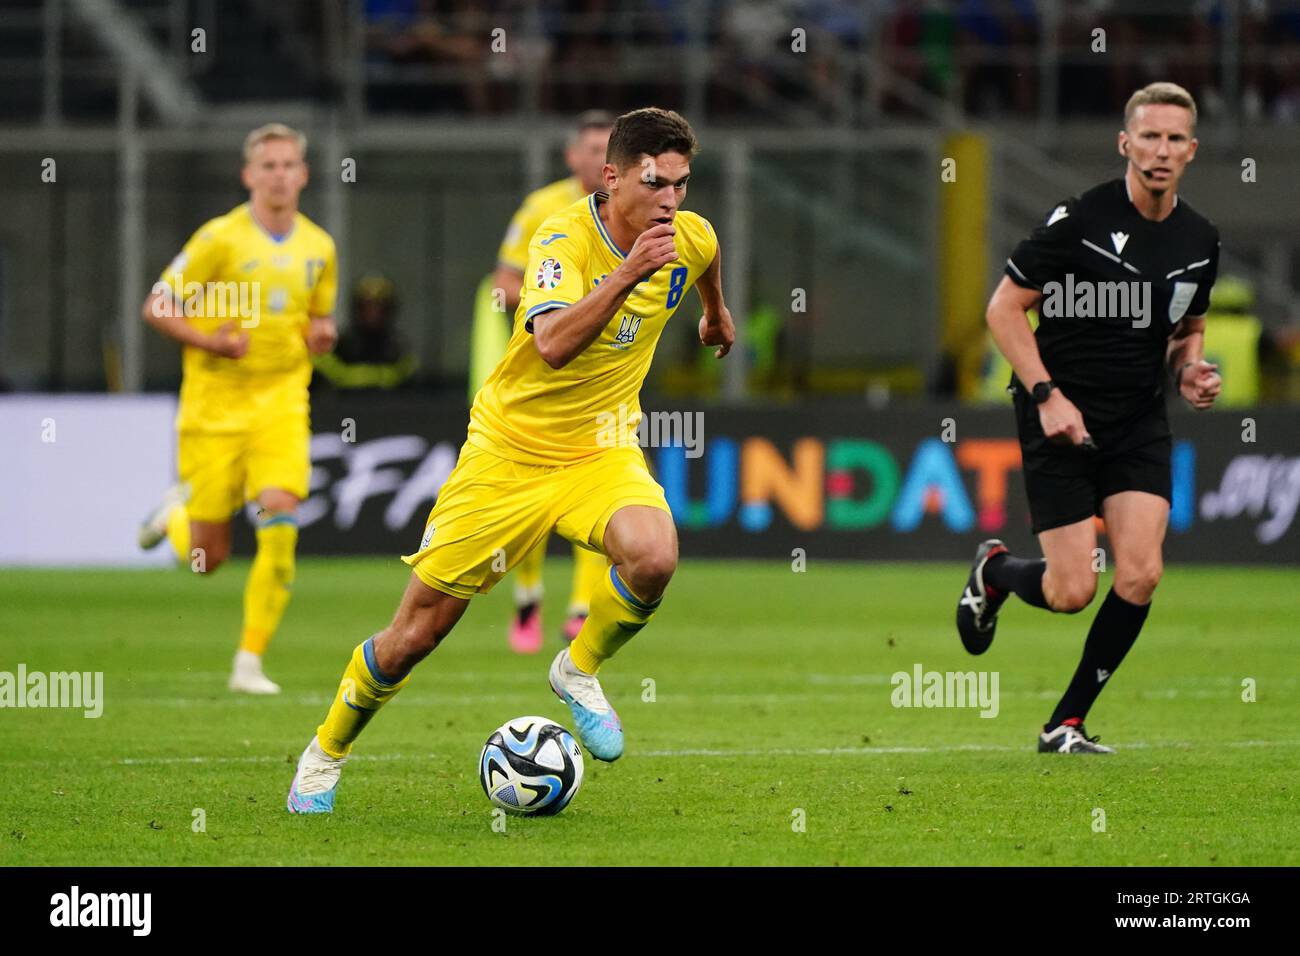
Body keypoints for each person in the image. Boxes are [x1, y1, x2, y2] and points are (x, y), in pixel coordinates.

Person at [286, 107, 735, 813]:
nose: (672, 200)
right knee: (414, 636)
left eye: (681, 183)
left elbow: (706, 259)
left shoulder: (689, 235)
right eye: (656, 183)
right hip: (510, 454)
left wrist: (715, 314)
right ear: (613, 177)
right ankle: (325, 753)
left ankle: (576, 669)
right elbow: (553, 342)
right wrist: (625, 277)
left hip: (601, 448)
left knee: (654, 555)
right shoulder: (560, 237)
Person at [956, 82, 1222, 753]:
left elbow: (1187, 327)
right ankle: (994, 573)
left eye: (1174, 139)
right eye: (1149, 137)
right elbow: (1002, 310)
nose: (1161, 151)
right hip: (1059, 414)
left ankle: (1064, 723)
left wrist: (1190, 367)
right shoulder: (1076, 220)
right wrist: (1047, 394)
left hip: (1137, 421)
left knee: (1141, 573)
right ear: (1125, 143)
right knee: (1072, 590)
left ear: (1191, 150)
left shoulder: (1199, 240)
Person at [137, 123, 339, 695]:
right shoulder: (219, 240)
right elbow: (156, 305)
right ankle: (175, 517)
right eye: (267, 166)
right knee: (208, 558)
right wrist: (210, 341)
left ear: (303, 174)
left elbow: (318, 318)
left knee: (280, 517)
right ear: (248, 175)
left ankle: (248, 662)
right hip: (213, 407)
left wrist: (321, 335)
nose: (278, 175)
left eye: (287, 165)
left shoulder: (319, 246)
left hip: (280, 401)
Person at [480, 110, 616, 654]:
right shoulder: (542, 209)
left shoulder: (631, 215)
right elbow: (501, 286)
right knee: (530, 495)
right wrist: (554, 302)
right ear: (572, 156)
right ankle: (529, 597)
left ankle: (582, 609)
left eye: (610, 148)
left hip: (600, 380)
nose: (599, 158)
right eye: (591, 148)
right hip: (541, 373)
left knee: (603, 492)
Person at [313, 273, 417, 390]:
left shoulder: (399, 350)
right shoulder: (339, 346)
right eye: (366, 307)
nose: (373, 314)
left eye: (379, 308)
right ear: (356, 309)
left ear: (390, 311)